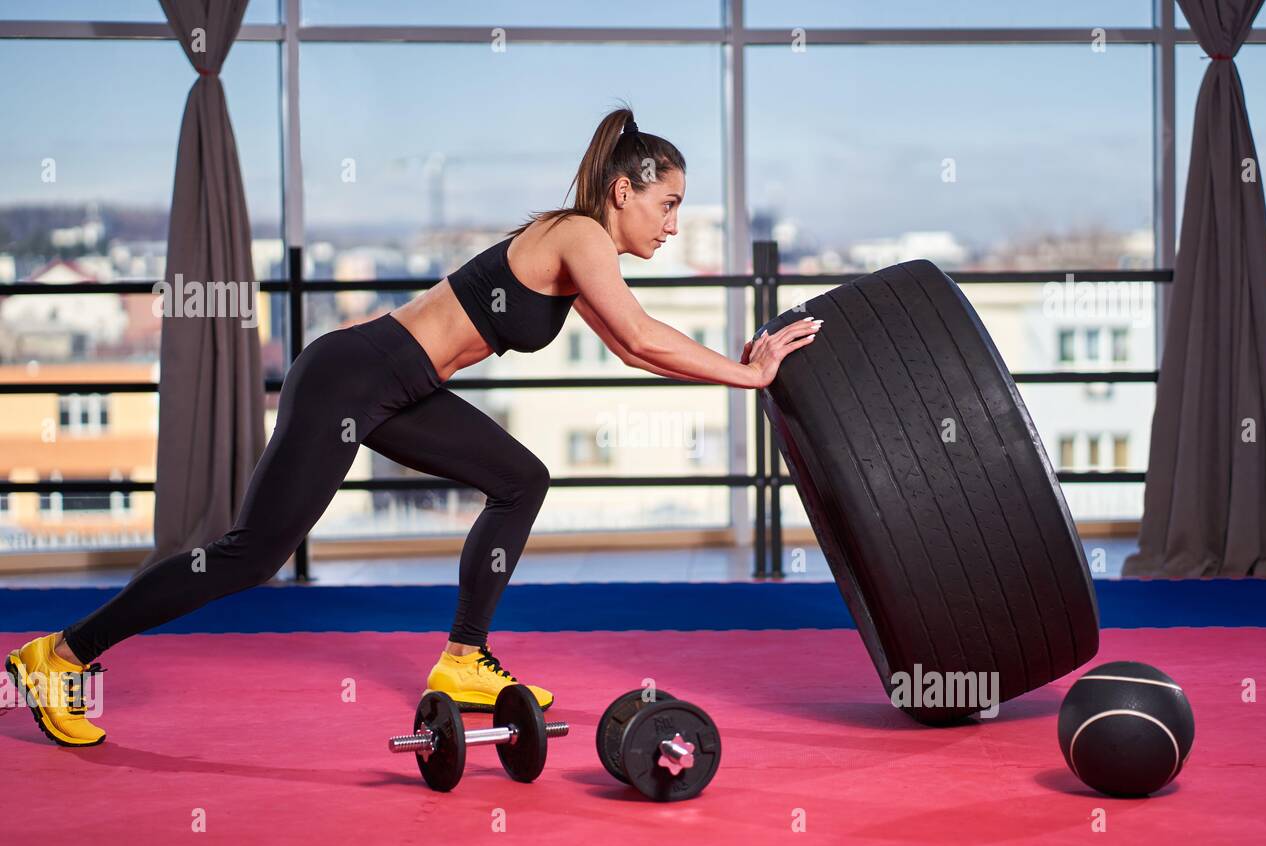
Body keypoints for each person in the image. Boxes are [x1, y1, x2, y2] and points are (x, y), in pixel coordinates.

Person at [5, 106, 820, 747]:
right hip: (353, 376)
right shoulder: (578, 234)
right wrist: (749, 371)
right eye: (667, 203)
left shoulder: (580, 250)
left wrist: (739, 363)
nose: (673, 224)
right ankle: (62, 654)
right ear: (623, 191)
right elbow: (644, 337)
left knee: (521, 477)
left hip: (400, 385)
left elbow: (635, 349)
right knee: (253, 556)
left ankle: (465, 657)